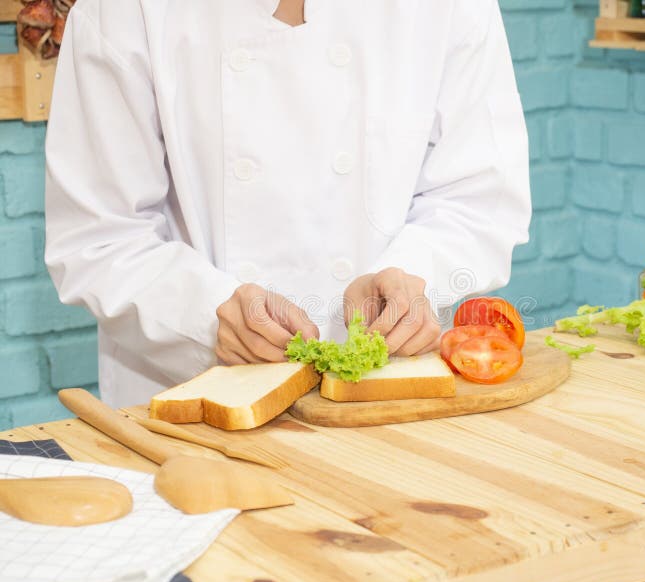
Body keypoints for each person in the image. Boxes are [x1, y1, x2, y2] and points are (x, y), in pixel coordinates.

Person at [44, 0, 532, 408]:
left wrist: (414, 275)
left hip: (393, 406)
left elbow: (479, 201)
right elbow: (98, 238)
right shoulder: (125, 8)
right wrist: (205, 315)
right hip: (192, 412)